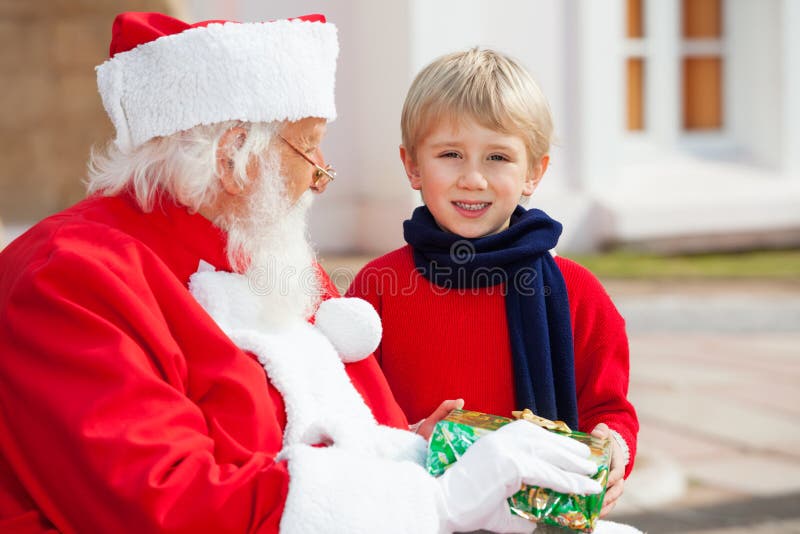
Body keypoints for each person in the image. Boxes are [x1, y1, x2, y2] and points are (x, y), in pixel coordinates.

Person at [0, 13, 611, 534]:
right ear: (235, 154)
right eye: (309, 147)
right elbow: (165, 504)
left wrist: (420, 451)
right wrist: (436, 500)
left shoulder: (262, 248)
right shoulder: (70, 279)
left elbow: (341, 434)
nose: (323, 174)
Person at [346, 48, 639, 517]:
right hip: (416, 511)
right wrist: (410, 438)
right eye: (450, 154)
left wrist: (613, 448)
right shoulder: (380, 286)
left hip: (538, 517)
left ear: (534, 172)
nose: (473, 178)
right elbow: (349, 414)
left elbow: (609, 408)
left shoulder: (575, 291)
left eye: (498, 156)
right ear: (413, 166)